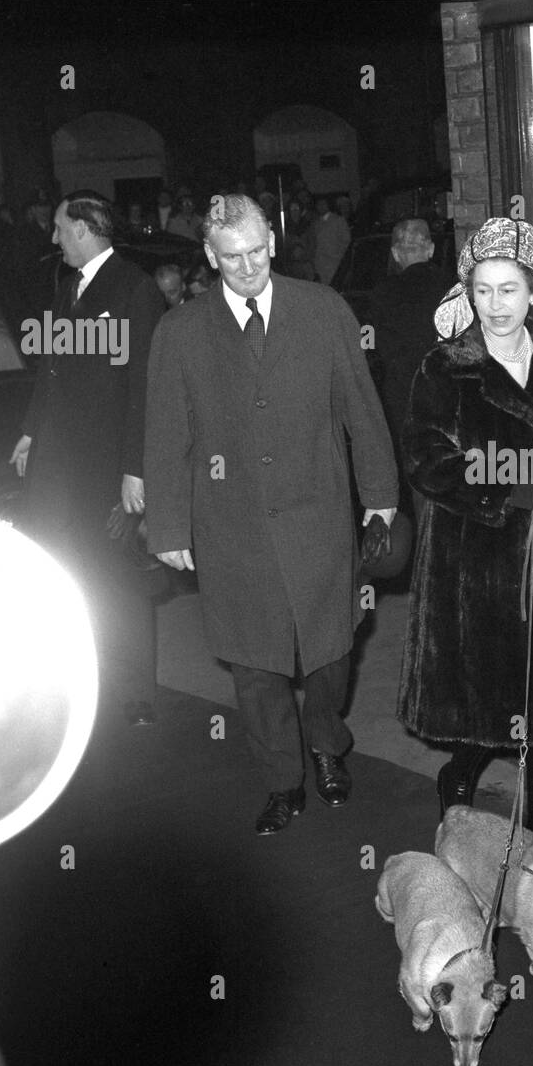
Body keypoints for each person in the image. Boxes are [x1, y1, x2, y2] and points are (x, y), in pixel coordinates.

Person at [144, 194, 399, 836]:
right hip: (231, 526)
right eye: (232, 258)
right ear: (209, 255)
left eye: (258, 251)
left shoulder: (324, 310)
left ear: (273, 244)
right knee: (255, 667)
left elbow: (360, 409)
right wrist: (169, 526)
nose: (249, 266)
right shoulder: (179, 332)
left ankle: (326, 744)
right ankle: (283, 781)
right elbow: (167, 433)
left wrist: (382, 495)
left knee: (329, 652)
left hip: (318, 515)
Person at [397, 217, 533, 840]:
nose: (496, 306)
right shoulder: (446, 366)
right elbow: (423, 458)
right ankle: (459, 783)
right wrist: (511, 483)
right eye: (484, 291)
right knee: (486, 706)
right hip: (471, 561)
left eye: (510, 291)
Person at [10, 190, 166, 729]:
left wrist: (135, 467)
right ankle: (78, 681)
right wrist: (30, 432)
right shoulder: (66, 286)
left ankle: (136, 693)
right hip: (59, 457)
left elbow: (144, 384)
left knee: (116, 575)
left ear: (83, 229)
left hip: (107, 461)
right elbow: (51, 367)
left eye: (59, 228)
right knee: (61, 568)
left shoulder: (135, 288)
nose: (53, 238)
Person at [367, 218, 449, 516]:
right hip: (451, 402)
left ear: (397, 254)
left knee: (422, 490)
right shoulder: (454, 290)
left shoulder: (381, 295)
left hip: (406, 404)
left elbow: (375, 351)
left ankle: (429, 555)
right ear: (430, 249)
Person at [312, 195, 350, 286]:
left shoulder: (339, 220)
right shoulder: (315, 223)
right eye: (318, 204)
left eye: (323, 204)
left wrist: (339, 256)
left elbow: (346, 241)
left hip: (334, 263)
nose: (320, 206)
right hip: (320, 264)